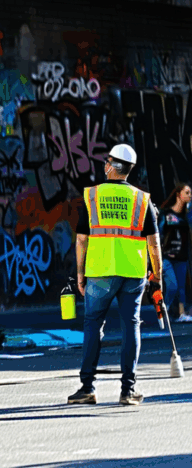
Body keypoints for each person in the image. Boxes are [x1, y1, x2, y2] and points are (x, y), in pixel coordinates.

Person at [68, 144, 163, 406]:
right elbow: (154, 244)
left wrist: (80, 273)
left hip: (99, 271)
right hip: (133, 273)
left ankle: (87, 387)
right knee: (130, 325)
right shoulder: (143, 200)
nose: (104, 165)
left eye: (107, 161)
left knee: (92, 324)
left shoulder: (92, 196)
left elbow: (81, 240)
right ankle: (127, 390)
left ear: (113, 166)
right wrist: (157, 276)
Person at [159, 183, 191, 322]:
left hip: (182, 257)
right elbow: (158, 232)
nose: (190, 195)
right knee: (172, 286)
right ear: (179, 194)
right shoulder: (166, 213)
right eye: (187, 192)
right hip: (167, 257)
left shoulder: (187, 216)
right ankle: (162, 310)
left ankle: (181, 313)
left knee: (181, 287)